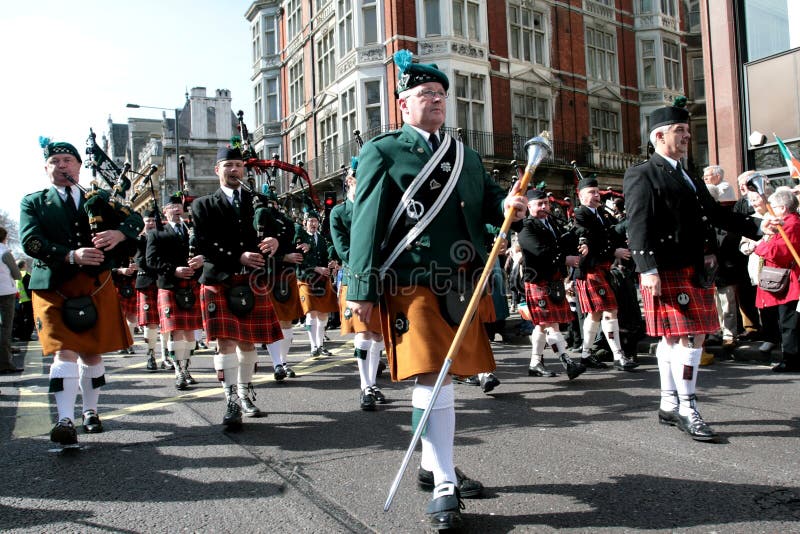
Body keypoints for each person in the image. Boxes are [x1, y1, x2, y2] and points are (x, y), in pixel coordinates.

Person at [345, 49, 528, 530]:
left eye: (441, 95)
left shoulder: (464, 155)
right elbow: (365, 222)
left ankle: (430, 465)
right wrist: (359, 289)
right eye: (425, 94)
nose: (436, 101)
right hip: (411, 280)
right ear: (403, 104)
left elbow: (490, 207)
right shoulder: (382, 151)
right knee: (434, 375)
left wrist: (510, 203)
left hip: (460, 283)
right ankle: (445, 479)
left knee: (443, 376)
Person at [623, 99, 761, 443]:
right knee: (686, 338)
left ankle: (669, 402)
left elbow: (717, 215)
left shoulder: (688, 175)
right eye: (679, 131)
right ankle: (687, 407)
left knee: (679, 338)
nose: (687, 136)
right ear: (658, 136)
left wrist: (759, 227)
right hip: (666, 267)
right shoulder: (643, 173)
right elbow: (637, 225)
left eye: (687, 130)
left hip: (692, 266)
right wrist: (647, 269)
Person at [20, 139, 143, 444]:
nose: (61, 165)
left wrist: (119, 233)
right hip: (54, 285)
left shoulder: (98, 197)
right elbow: (30, 242)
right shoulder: (34, 202)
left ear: (78, 165)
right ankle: (64, 419)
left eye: (67, 160)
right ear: (46, 168)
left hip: (95, 283)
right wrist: (70, 255)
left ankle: (90, 411)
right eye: (55, 161)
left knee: (92, 351)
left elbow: (136, 219)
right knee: (65, 350)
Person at [191, 146, 283, 428]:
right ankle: (230, 399)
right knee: (226, 342)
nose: (234, 170)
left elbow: (283, 229)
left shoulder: (259, 203)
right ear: (217, 170)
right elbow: (204, 243)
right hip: (219, 278)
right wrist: (237, 256)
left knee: (248, 342)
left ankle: (244, 391)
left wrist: (276, 242)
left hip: (252, 280)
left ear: (244, 170)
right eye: (228, 165)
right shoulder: (203, 205)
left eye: (238, 166)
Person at [330, 159, 387, 410]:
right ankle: (365, 386)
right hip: (357, 276)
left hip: (382, 276)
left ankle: (372, 383)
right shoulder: (339, 213)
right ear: (351, 181)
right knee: (364, 332)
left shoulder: (377, 207)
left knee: (378, 335)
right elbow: (344, 250)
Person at [515, 189, 585, 379]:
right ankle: (567, 362)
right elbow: (540, 251)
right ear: (529, 207)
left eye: (547, 203)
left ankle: (535, 363)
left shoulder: (552, 222)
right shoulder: (525, 226)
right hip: (538, 279)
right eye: (540, 204)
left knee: (542, 325)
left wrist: (579, 240)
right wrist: (565, 259)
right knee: (549, 324)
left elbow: (561, 244)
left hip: (554, 280)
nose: (545, 207)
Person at [573, 176, 638, 371]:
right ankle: (619, 356)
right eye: (591, 192)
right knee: (611, 310)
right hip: (591, 269)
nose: (596, 195)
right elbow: (588, 238)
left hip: (603, 268)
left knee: (595, 315)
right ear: (581, 196)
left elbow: (611, 234)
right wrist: (613, 251)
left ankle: (585, 354)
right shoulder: (580, 215)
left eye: (596, 192)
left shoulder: (601, 212)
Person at [146, 195, 205, 391]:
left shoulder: (193, 231)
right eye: (172, 207)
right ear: (165, 211)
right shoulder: (157, 233)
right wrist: (174, 270)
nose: (177, 209)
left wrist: (200, 260)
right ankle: (179, 371)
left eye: (179, 206)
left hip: (191, 284)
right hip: (170, 285)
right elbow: (151, 261)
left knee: (189, 334)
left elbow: (206, 252)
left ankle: (186, 368)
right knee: (177, 331)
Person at [753, 187, 800, 372]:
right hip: (786, 279)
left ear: (782, 208)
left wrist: (759, 247)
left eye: (773, 205)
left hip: (791, 280)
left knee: (789, 322)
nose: (770, 207)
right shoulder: (786, 223)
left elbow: (777, 252)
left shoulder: (790, 224)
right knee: (787, 321)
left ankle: (792, 360)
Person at [259, 189, 304, 382]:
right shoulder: (258, 219)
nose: (273, 206)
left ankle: (283, 363)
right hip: (267, 275)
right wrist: (284, 256)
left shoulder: (287, 223)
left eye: (275, 202)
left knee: (286, 322)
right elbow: (259, 250)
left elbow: (293, 246)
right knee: (272, 321)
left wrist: (303, 250)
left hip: (286, 276)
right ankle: (277, 362)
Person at [295, 211, 338, 356]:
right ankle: (313, 346)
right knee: (311, 312)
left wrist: (332, 261)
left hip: (322, 280)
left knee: (323, 314)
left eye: (315, 221)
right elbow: (299, 259)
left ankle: (320, 345)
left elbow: (330, 251)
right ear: (304, 223)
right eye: (310, 221)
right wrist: (315, 268)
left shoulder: (322, 239)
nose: (313, 223)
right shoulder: (300, 239)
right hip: (307, 279)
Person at [135, 211, 164, 371]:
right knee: (151, 323)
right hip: (147, 282)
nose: (151, 223)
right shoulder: (140, 240)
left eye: (153, 220)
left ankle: (167, 356)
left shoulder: (163, 237)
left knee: (167, 323)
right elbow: (140, 260)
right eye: (148, 221)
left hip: (163, 281)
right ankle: (151, 354)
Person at [0, 228, 21, 374]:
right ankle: (5, 362)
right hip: (5, 293)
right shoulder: (5, 253)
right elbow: (17, 274)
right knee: (5, 328)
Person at [13, 259, 34, 343]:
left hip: (19, 300)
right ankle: (26, 336)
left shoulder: (15, 275)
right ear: (24, 265)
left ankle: (20, 335)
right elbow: (29, 289)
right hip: (27, 300)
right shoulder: (26, 274)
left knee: (20, 319)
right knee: (29, 319)